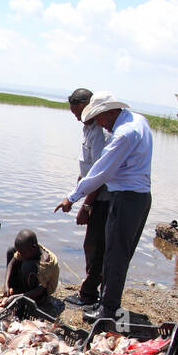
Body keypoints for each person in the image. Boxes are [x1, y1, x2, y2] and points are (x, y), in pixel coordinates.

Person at [54, 92, 154, 323]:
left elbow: (101, 171)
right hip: (138, 197)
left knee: (114, 257)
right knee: (117, 254)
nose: (100, 123)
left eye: (100, 118)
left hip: (127, 198)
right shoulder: (138, 120)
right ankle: (106, 303)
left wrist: (73, 197)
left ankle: (108, 310)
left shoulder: (124, 134)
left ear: (110, 111)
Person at [63, 88, 112, 308]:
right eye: (74, 114)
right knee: (91, 245)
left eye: (79, 112)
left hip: (102, 198)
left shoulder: (100, 132)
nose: (77, 118)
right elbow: (88, 167)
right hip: (93, 193)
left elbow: (99, 174)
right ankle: (92, 290)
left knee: (95, 246)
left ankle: (90, 294)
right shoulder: (89, 128)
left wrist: (86, 205)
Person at [3, 229, 59, 302]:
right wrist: (6, 284)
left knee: (27, 265)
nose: (21, 255)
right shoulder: (29, 249)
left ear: (34, 247)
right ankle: (14, 288)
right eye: (20, 252)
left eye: (23, 253)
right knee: (11, 251)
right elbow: (11, 263)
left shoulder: (45, 263)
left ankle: (32, 297)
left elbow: (40, 289)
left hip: (42, 291)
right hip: (31, 278)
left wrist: (19, 297)